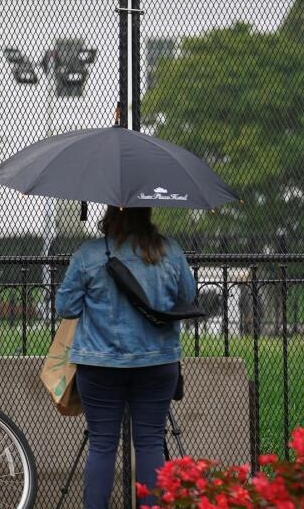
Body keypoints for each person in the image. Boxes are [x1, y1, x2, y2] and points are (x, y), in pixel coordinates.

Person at [55, 206, 197, 509]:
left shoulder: (89, 254)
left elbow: (66, 307)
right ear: (147, 213)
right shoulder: (169, 251)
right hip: (158, 363)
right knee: (150, 443)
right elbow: (187, 298)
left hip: (100, 364)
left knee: (102, 445)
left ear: (109, 216)